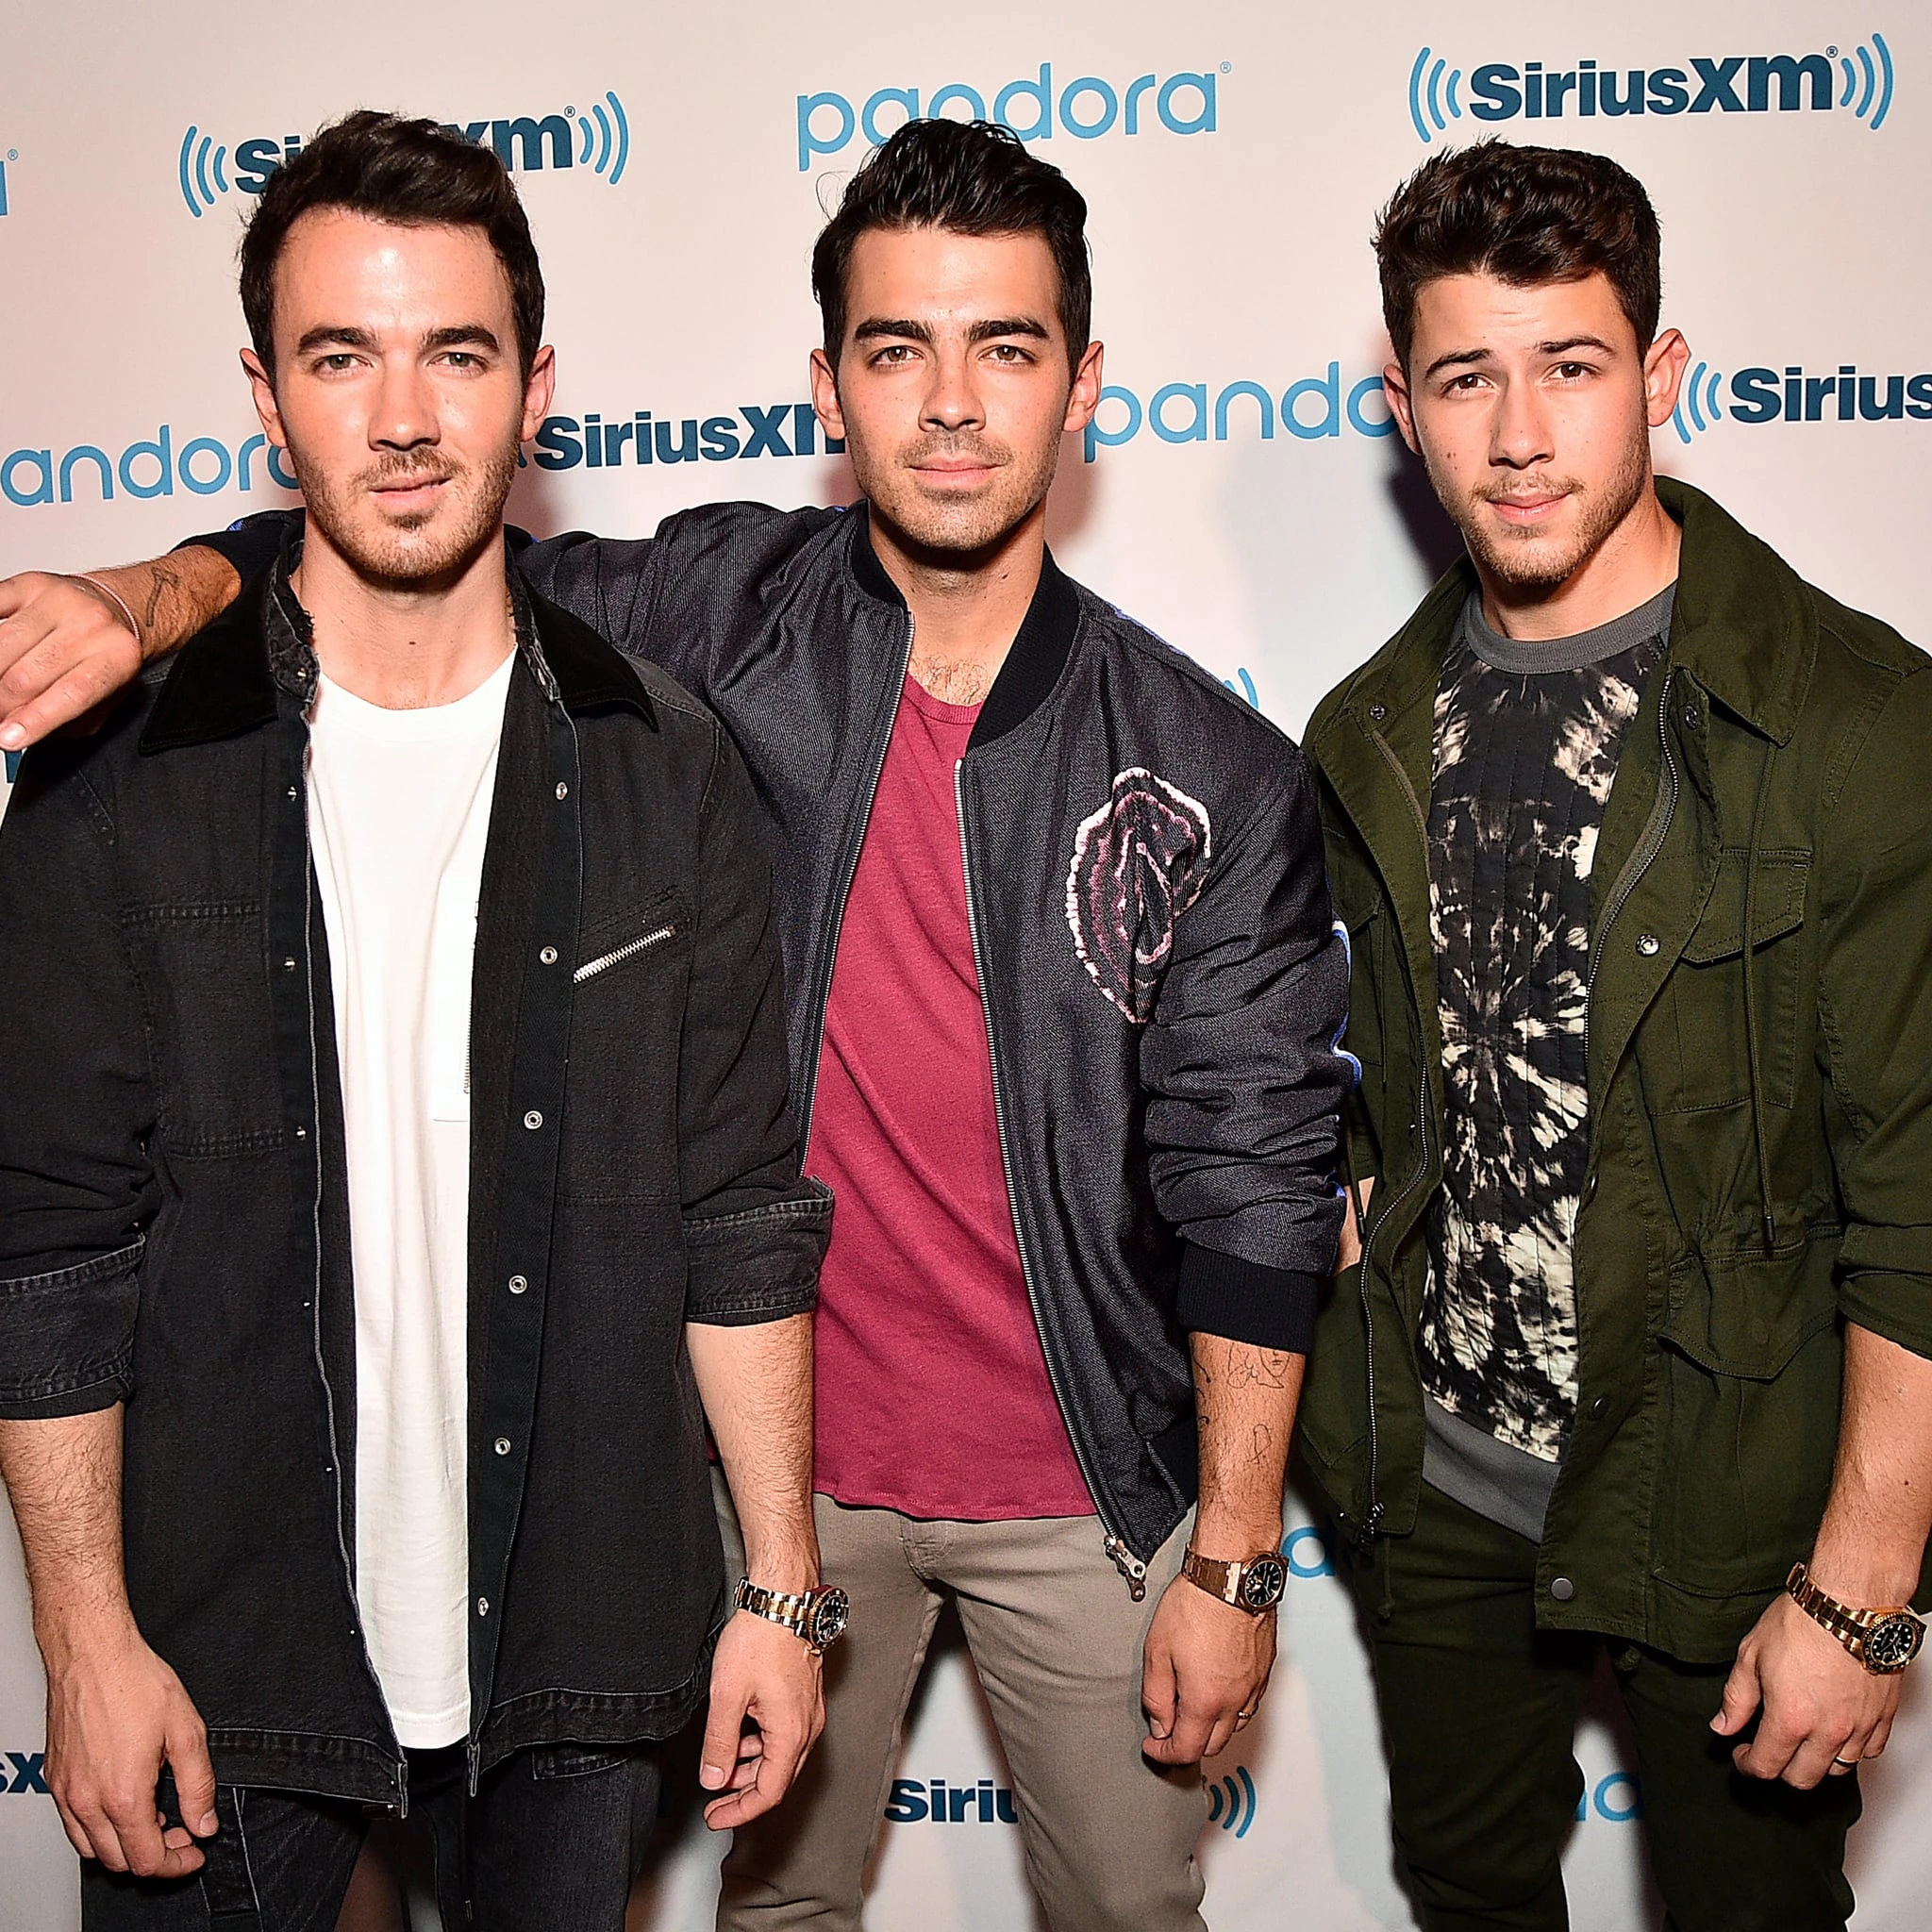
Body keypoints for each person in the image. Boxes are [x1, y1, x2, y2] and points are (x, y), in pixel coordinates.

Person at [0, 117, 1353, 1932]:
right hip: (771, 1473)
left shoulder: (1210, 765)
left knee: (1129, 1910)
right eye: (898, 349)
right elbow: (388, 528)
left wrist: (1239, 1557)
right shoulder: (718, 612)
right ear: (828, 388)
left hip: (1086, 1481)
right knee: (767, 1912)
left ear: (1084, 381)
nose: (953, 405)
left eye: (1007, 347)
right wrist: (145, 600)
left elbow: (1255, 1178)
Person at [0, 112, 835, 1932]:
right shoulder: (114, 781)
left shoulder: (665, 762)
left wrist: (780, 1584)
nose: (401, 417)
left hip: (578, 1634)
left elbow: (739, 1212)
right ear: (264, 395)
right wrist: (84, 1643)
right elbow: (52, 1251)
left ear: (538, 387)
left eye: (455, 354)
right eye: (340, 357)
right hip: (217, 1649)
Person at [1299, 138, 1932, 1931]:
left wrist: (1862, 1589)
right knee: (1468, 1894)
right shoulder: (1360, 734)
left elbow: (1918, 1202)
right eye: (1464, 379)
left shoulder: (1857, 725)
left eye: (1569, 367)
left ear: (1658, 374)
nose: (1518, 436)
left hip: (1729, 1505)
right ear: (1404, 408)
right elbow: (1363, 1092)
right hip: (1438, 1493)